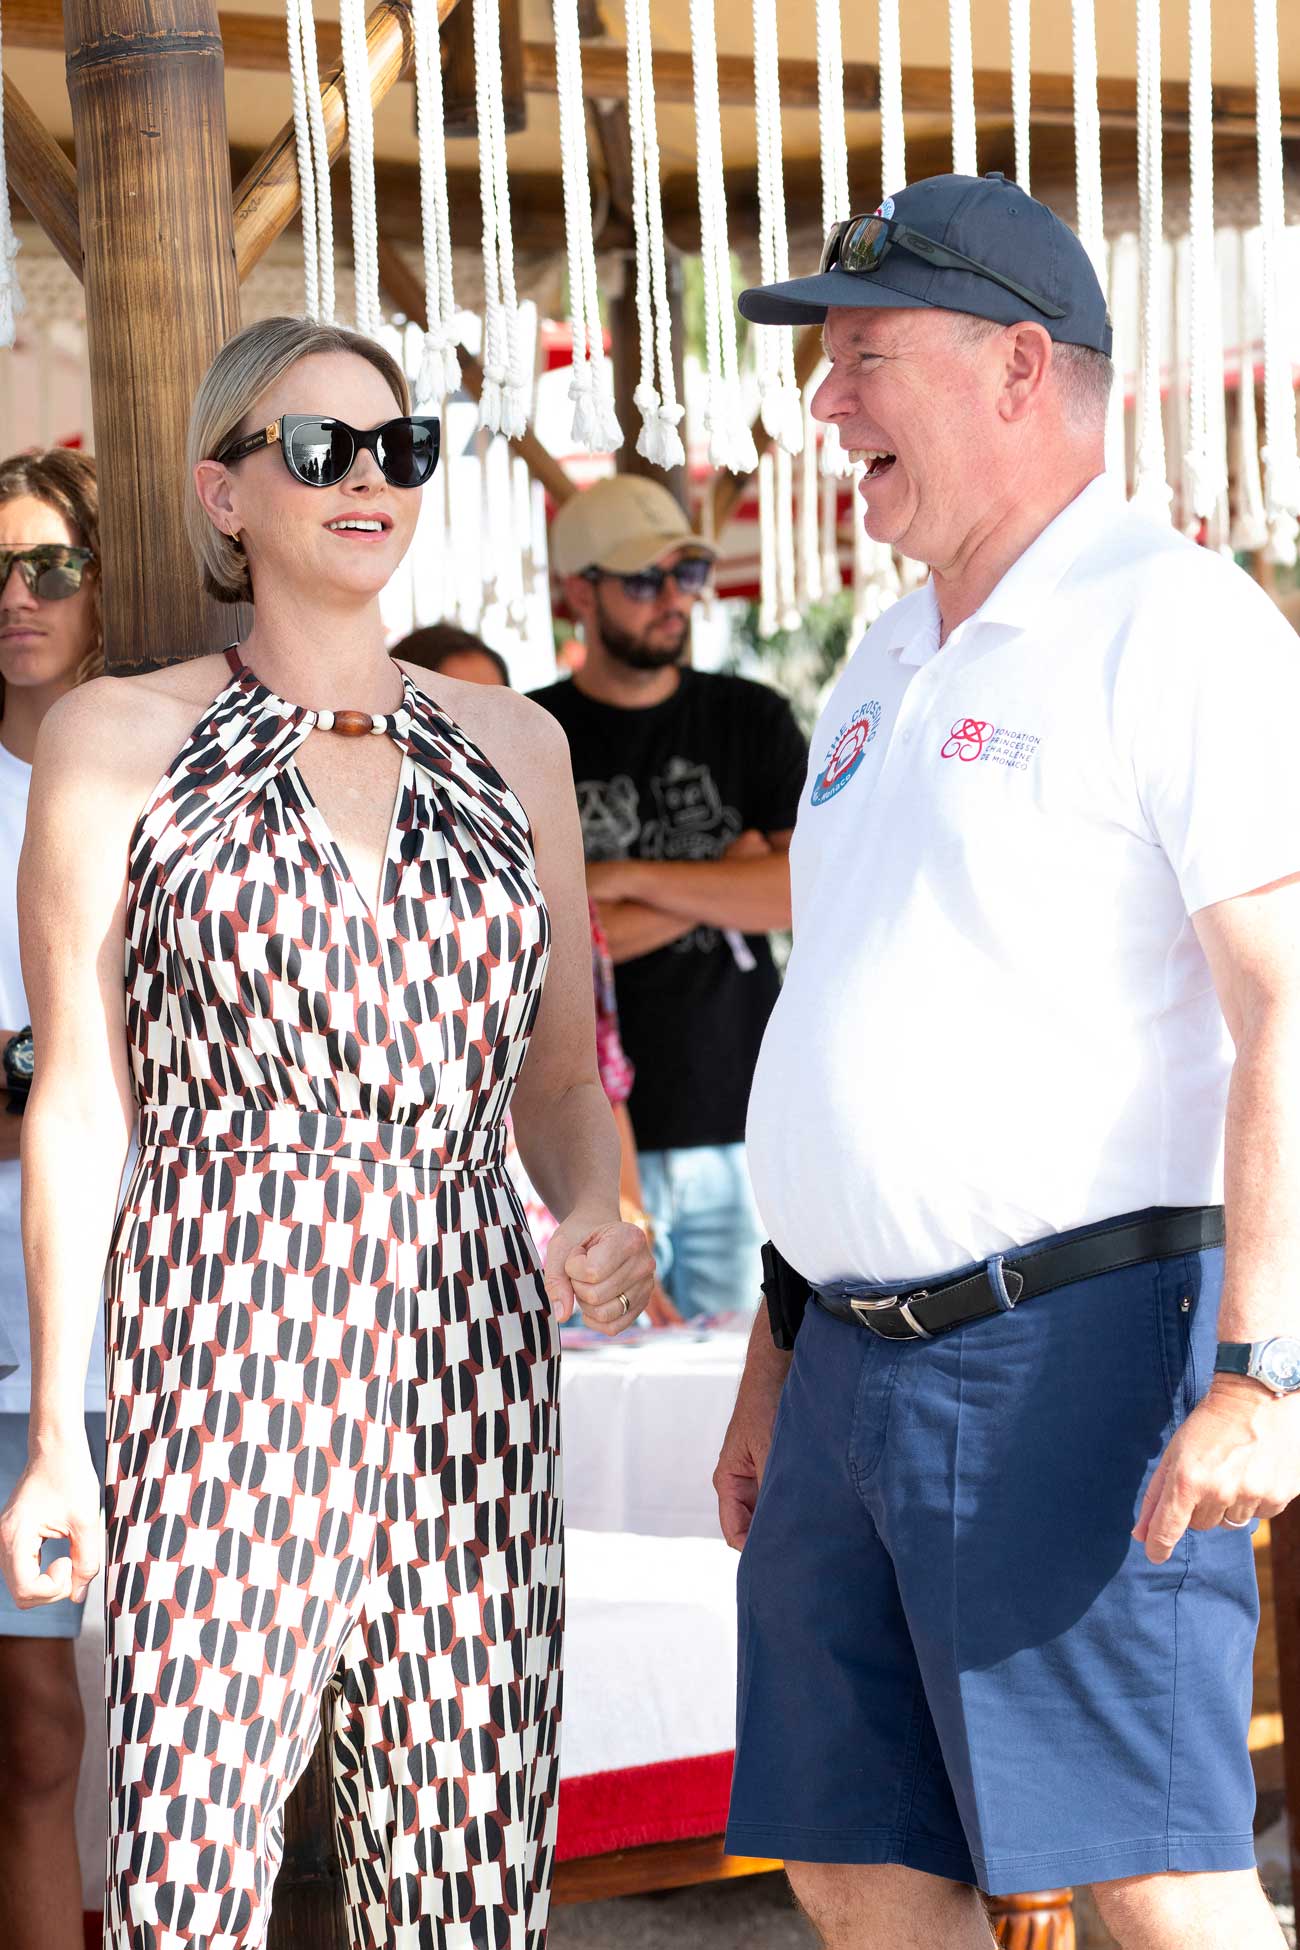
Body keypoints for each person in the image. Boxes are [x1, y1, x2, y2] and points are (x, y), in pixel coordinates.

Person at [0, 317, 654, 1950]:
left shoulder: (520, 748)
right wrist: (62, 1436)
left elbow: (563, 1081)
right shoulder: (117, 742)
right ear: (224, 495)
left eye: (399, 448)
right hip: (224, 1352)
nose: (370, 478)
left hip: (468, 1364)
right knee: (193, 1876)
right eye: (320, 449)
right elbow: (80, 1101)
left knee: (467, 1880)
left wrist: (606, 1205)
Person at [717, 171, 1300, 1950]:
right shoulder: (882, 658)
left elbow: (1287, 1005)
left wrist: (1266, 1372)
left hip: (1075, 1346)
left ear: (1019, 370)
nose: (827, 405)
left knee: (1145, 1872)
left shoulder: (1180, 627)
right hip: (849, 1362)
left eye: (865, 356)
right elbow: (858, 1027)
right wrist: (776, 1352)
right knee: (846, 1846)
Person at [533, 475, 807, 1320]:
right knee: (605, 1403)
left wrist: (620, 879)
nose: (674, 601)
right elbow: (553, 942)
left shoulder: (750, 716)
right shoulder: (532, 734)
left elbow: (801, 893)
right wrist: (726, 882)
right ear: (580, 590)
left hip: (742, 1121)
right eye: (643, 580)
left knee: (740, 1391)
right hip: (582, 1148)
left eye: (686, 577)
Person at [392, 619, 682, 1327]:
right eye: (459, 704)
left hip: (542, 1246)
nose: (486, 728)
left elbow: (590, 1081)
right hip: (391, 1241)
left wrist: (617, 1224)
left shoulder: (545, 888)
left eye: (501, 704)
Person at [0, 449, 105, 1950]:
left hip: (171, 1280)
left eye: (48, 566)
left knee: (186, 1728)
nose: (16, 598)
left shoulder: (162, 776)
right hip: (10, 1307)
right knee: (33, 1727)